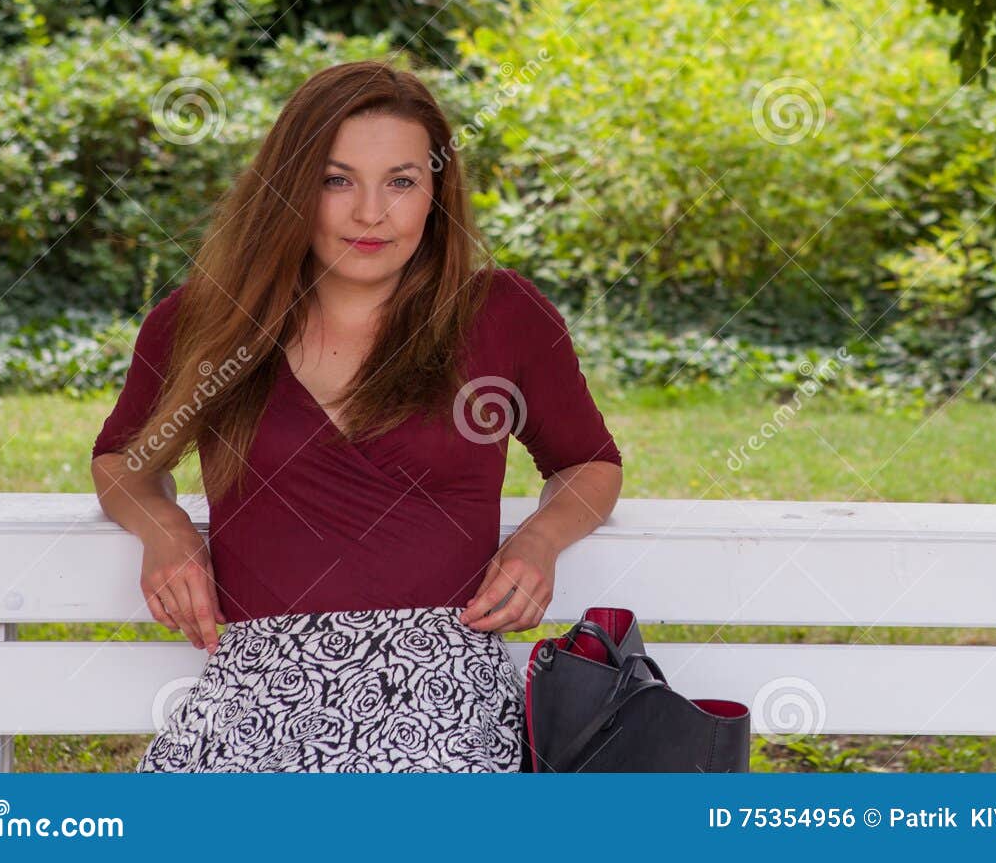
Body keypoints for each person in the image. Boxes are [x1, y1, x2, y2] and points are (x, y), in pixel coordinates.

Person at [88, 59, 624, 772]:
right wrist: (165, 528)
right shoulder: (207, 320)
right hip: (255, 703)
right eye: (336, 180)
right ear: (290, 188)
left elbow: (588, 461)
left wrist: (540, 540)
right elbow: (124, 459)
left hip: (443, 704)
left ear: (436, 192)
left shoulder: (499, 316)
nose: (370, 212)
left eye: (401, 181)